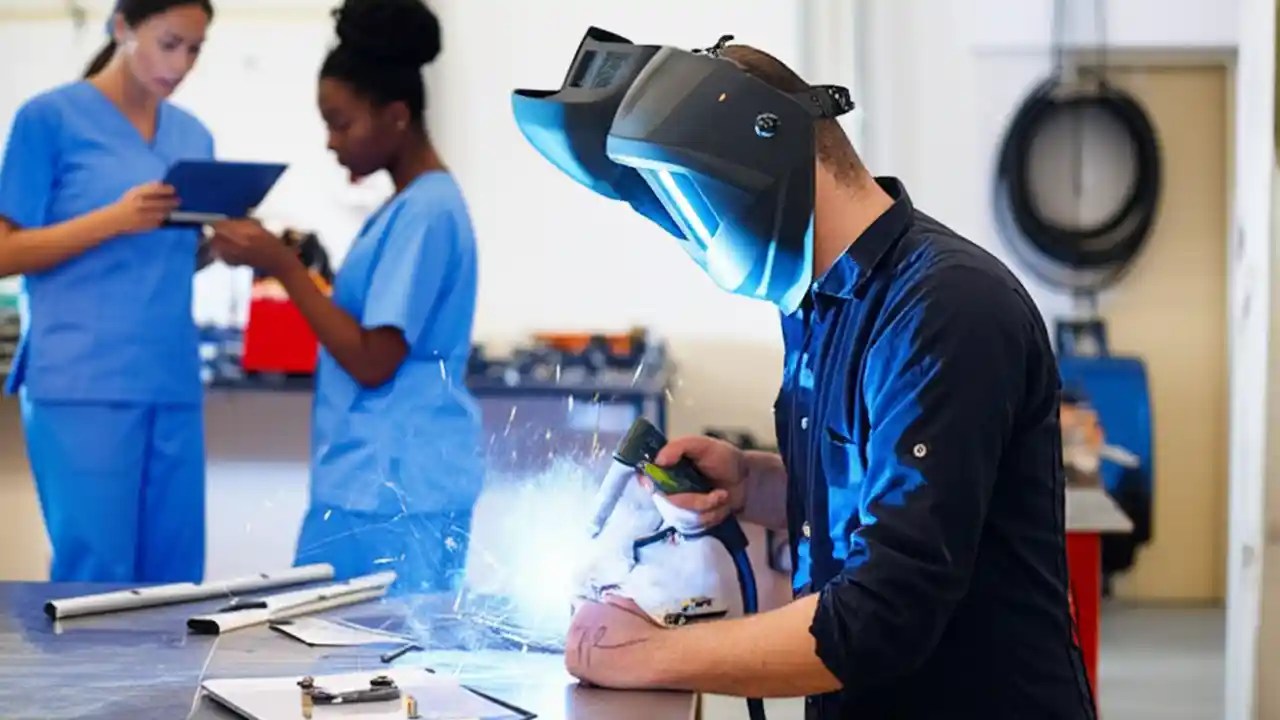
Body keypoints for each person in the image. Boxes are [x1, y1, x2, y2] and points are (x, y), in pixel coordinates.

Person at [513, 31, 1097, 720]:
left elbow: (886, 611)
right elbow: (891, 494)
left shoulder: (946, 311)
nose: (691, 233)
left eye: (689, 203)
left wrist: (642, 654)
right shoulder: (822, 301)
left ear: (758, 162)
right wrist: (757, 482)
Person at [208, 0, 482, 595]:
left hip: (397, 490)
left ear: (397, 116)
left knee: (382, 662)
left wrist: (279, 264)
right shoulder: (407, 207)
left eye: (341, 122)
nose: (332, 142)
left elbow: (372, 358)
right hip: (371, 482)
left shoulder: (428, 212)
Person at [0, 0, 216, 583]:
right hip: (80, 383)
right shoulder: (48, 120)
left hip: (169, 380)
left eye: (194, 48)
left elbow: (160, 260)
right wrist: (113, 218)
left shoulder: (193, 135)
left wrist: (222, 245)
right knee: (96, 578)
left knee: (176, 582)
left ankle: (175, 682)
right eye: (169, 43)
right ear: (123, 27)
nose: (182, 63)